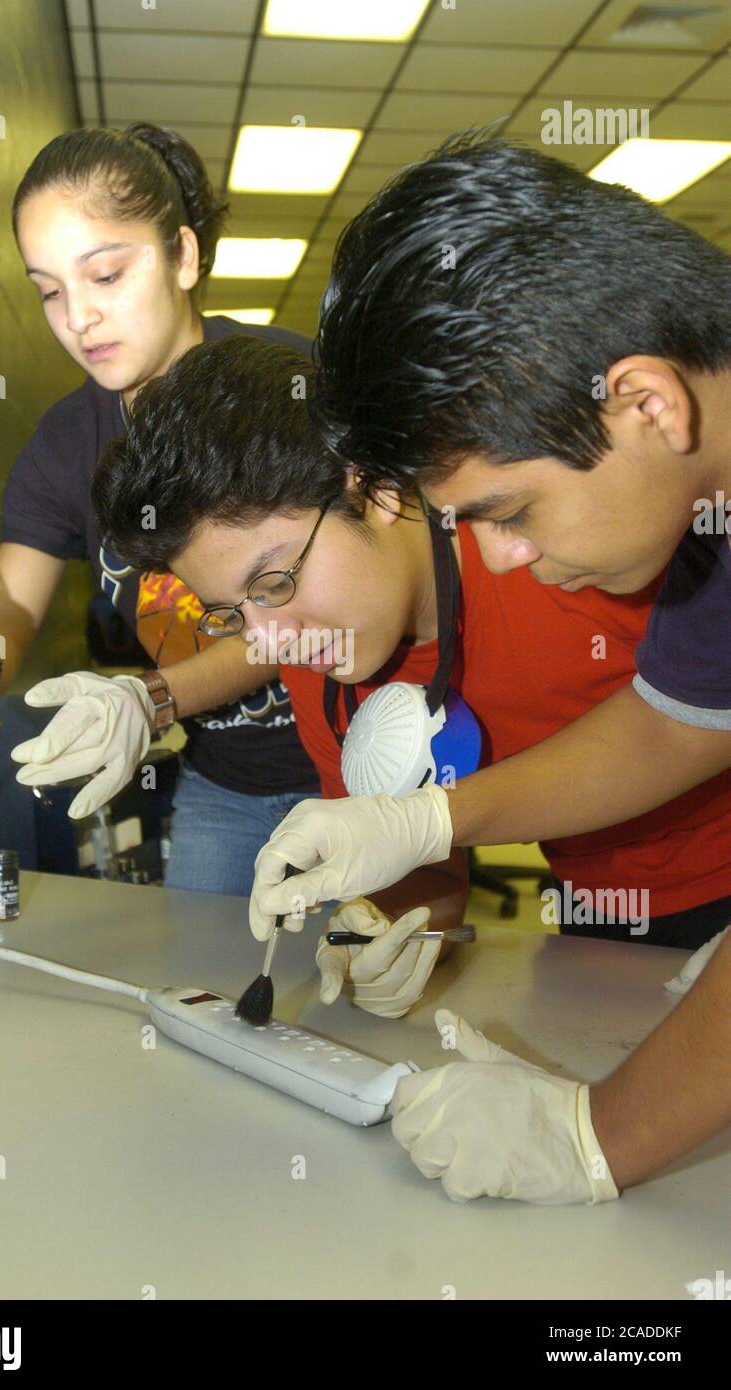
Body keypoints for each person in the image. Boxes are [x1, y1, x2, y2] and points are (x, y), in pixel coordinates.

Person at [245, 135, 731, 1203]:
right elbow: (676, 721)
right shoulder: (711, 524)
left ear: (647, 403)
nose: (502, 556)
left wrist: (596, 1132)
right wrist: (429, 825)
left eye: (510, 512)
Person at [91, 333, 731, 1023]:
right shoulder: (326, 667)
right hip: (600, 920)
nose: (270, 640)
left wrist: (431, 820)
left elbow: (678, 722)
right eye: (229, 613)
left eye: (275, 581)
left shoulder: (560, 548)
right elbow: (423, 859)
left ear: (372, 489)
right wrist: (384, 924)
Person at [0, 123, 320, 893]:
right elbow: (9, 616)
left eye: (105, 275)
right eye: (50, 292)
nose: (78, 319)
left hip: (362, 766)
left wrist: (154, 695)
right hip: (226, 785)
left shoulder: (286, 384)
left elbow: (305, 619)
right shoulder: (67, 446)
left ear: (183, 257)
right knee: (206, 995)